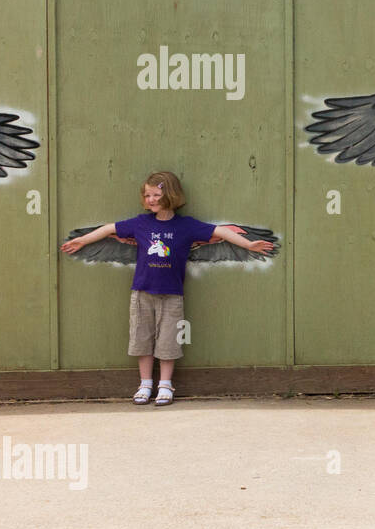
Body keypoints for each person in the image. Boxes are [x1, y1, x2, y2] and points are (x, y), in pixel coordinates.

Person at [59, 171, 275, 406]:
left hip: (172, 295)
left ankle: (165, 385)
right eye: (147, 195)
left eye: (156, 195)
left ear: (170, 195)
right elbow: (109, 228)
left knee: (169, 342)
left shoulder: (186, 226)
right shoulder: (140, 224)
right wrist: (83, 240)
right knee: (142, 339)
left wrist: (249, 244)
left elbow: (221, 232)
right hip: (142, 292)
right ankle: (145, 384)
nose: (150, 199)